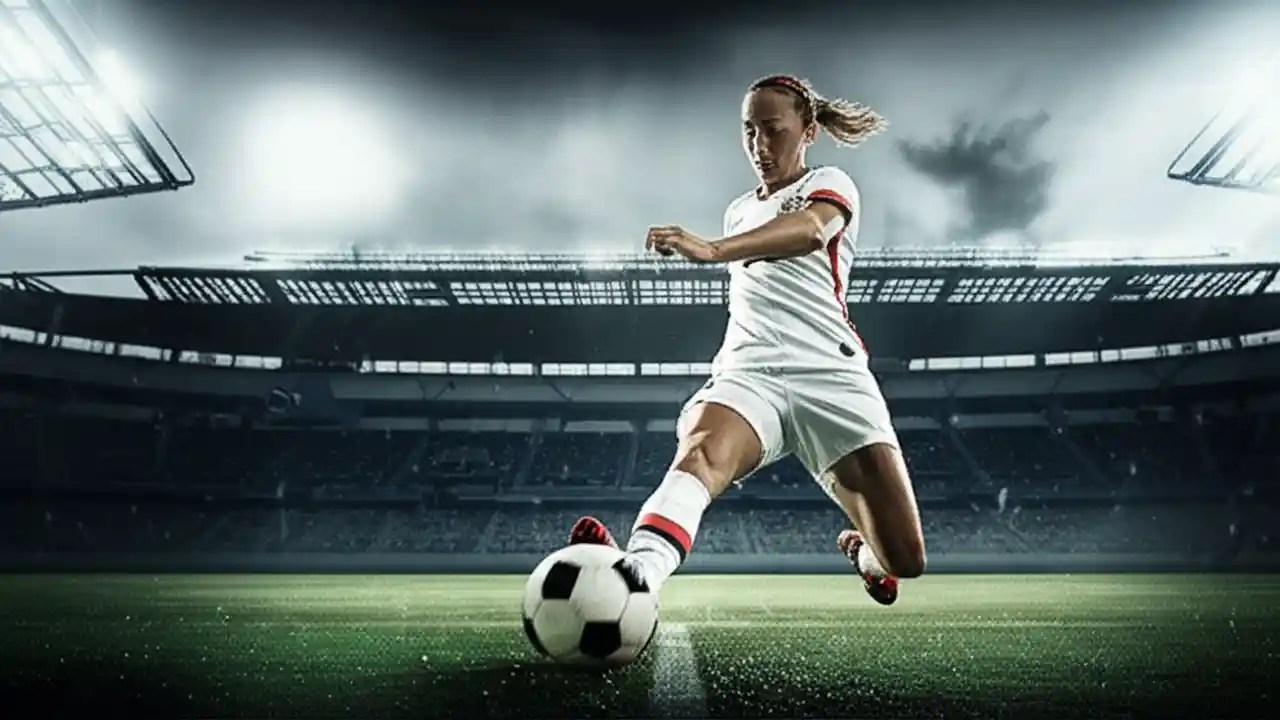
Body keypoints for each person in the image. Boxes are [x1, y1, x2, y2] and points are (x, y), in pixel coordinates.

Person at [569, 74, 926, 605]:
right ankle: (634, 574)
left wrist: (712, 250)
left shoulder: (831, 182)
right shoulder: (739, 209)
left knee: (906, 558)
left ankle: (865, 554)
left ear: (808, 130)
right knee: (701, 454)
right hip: (749, 370)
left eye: (772, 129)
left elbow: (810, 231)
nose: (760, 146)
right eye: (749, 131)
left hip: (830, 372)